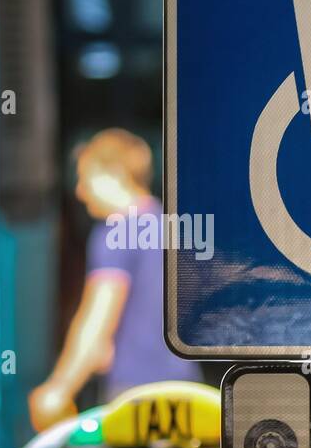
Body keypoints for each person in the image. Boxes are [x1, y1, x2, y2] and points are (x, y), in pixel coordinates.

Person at [29, 129, 201, 432]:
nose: (80, 191)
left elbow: (97, 320)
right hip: (188, 392)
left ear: (114, 173)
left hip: (134, 397)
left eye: (86, 178)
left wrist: (59, 388)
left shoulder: (115, 233)